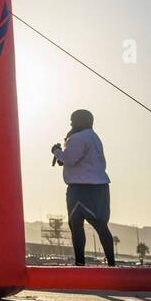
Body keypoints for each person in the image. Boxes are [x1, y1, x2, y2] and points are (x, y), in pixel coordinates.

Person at [52, 108, 115, 266]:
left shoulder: (78, 137)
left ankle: (80, 263)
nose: (71, 123)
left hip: (81, 188)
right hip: (99, 186)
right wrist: (63, 155)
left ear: (81, 121)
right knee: (101, 225)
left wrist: (56, 151)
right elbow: (73, 160)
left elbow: (70, 159)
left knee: (76, 224)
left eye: (73, 120)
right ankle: (112, 264)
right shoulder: (94, 137)